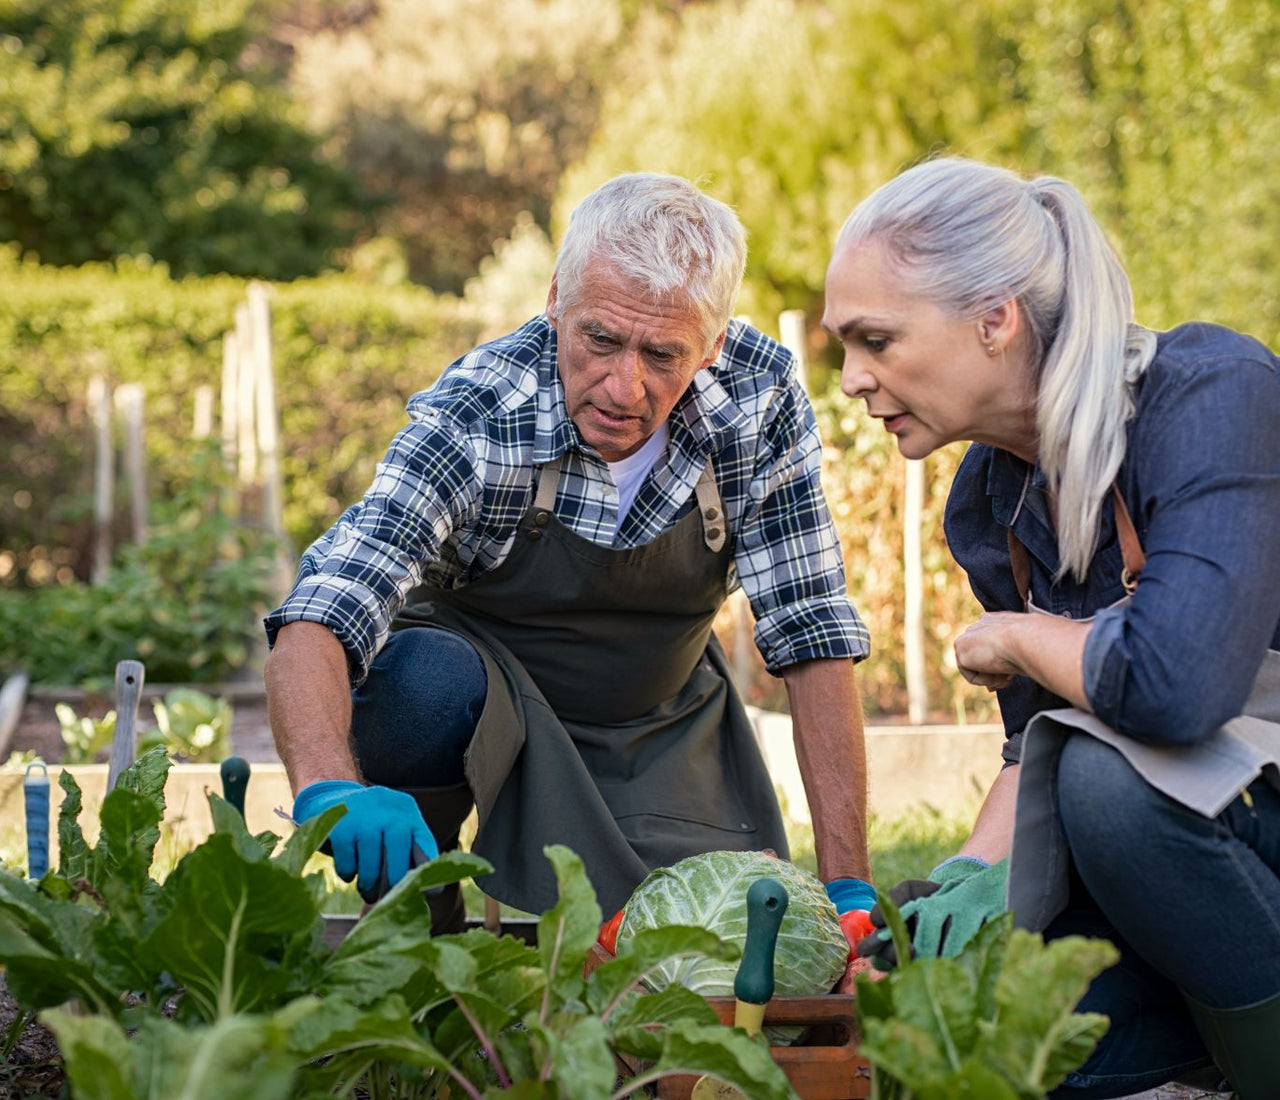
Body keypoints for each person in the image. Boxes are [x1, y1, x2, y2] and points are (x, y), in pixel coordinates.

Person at [264, 172, 876, 935]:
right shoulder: (483, 410)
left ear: (713, 345)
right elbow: (329, 602)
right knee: (418, 687)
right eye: (600, 340)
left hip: (659, 716)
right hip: (487, 702)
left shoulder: (759, 398)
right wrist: (330, 786)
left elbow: (811, 628)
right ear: (557, 299)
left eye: (662, 354)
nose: (624, 386)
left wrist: (850, 886)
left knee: (691, 949)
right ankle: (415, 922)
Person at [823, 156, 1280, 1099]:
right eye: (843, 345)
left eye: (876, 338)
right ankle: (1207, 1041)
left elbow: (1178, 683)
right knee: (996, 1028)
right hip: (1188, 856)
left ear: (996, 320)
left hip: (1237, 820)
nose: (852, 381)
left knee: (1113, 790)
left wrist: (1020, 637)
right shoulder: (987, 498)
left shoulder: (1210, 396)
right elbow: (1040, 745)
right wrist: (955, 887)